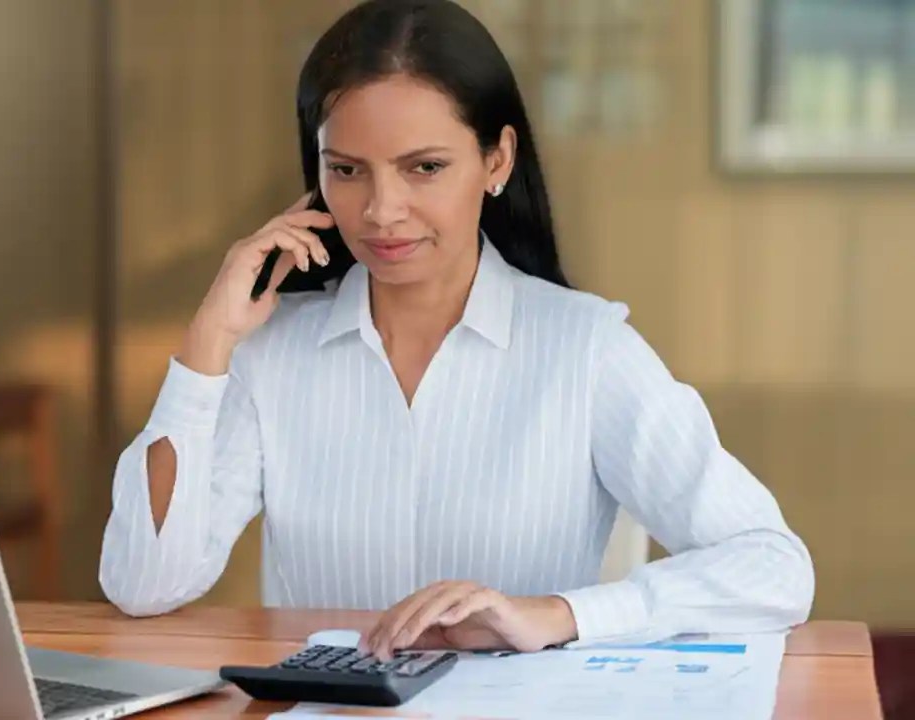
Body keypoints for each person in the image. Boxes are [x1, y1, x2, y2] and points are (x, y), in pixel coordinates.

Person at [99, 0, 813, 661]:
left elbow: (773, 567)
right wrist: (207, 343)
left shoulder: (587, 349)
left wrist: (556, 613)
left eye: (425, 168)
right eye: (347, 170)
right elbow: (143, 584)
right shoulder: (271, 352)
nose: (382, 211)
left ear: (496, 160)